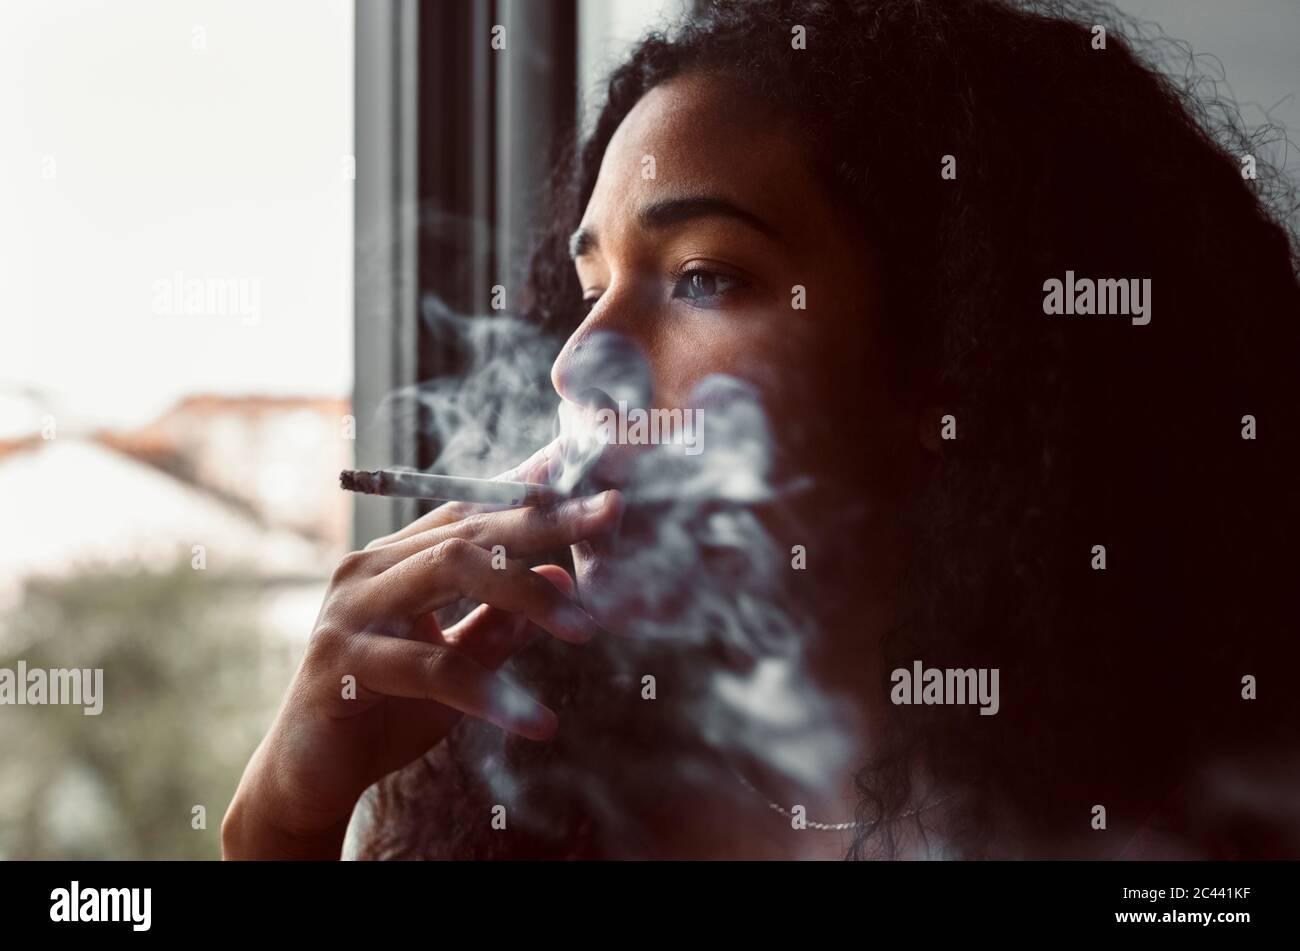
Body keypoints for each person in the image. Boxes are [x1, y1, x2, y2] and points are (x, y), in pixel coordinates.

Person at [223, 0, 1300, 860]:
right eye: (589, 284)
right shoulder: (545, 799)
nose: (573, 361)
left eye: (701, 277)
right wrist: (281, 823)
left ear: (962, 364)